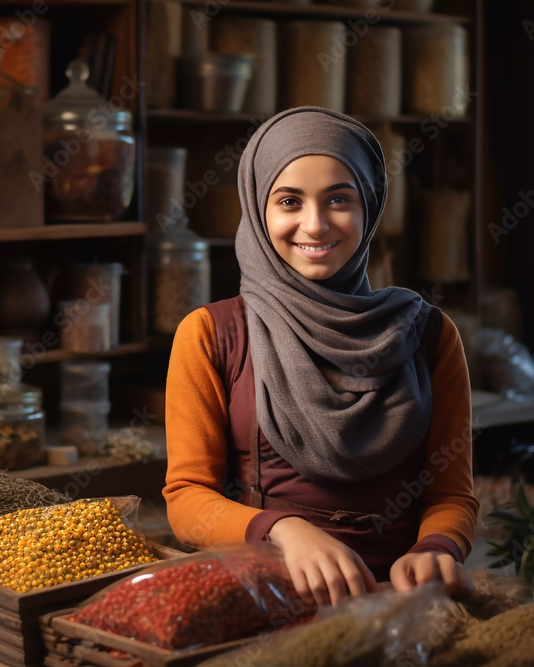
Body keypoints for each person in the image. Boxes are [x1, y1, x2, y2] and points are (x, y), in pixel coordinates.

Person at [163, 107, 479, 609]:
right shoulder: (211, 334)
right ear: (257, 208)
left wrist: (437, 548)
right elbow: (186, 499)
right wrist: (283, 530)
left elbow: (450, 495)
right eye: (289, 201)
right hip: (266, 597)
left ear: (370, 207)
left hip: (400, 604)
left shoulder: (429, 335)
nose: (314, 224)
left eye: (338, 199)